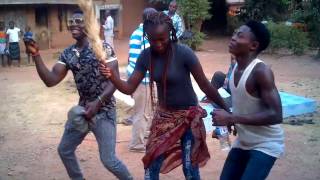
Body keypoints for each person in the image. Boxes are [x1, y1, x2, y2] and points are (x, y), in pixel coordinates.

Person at [99, 12, 228, 179]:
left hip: (189, 117)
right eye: (153, 40)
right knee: (151, 163)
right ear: (147, 36)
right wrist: (112, 76)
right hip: (163, 118)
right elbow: (129, 87)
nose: (158, 44)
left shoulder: (184, 53)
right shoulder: (146, 56)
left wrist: (226, 108)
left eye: (162, 39)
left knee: (190, 168)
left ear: (171, 34)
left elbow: (205, 85)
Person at [25, 11, 133, 180]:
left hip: (103, 111)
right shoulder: (68, 53)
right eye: (71, 21)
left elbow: (115, 81)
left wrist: (98, 102)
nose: (73, 24)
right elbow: (51, 80)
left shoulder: (102, 48)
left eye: (79, 21)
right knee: (64, 150)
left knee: (109, 160)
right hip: (82, 112)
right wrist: (36, 55)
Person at [212, 20, 284, 180]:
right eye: (234, 34)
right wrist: (228, 122)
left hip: (266, 144)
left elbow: (276, 114)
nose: (233, 38)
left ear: (253, 46)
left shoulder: (261, 71)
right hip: (243, 141)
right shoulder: (235, 68)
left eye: (240, 36)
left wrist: (231, 117)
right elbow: (245, 106)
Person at [124, 8, 157, 153]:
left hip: (146, 79)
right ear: (149, 18)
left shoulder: (141, 33)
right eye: (155, 17)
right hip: (142, 80)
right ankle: (137, 144)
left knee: (149, 110)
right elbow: (144, 61)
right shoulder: (143, 35)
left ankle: (145, 137)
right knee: (141, 112)